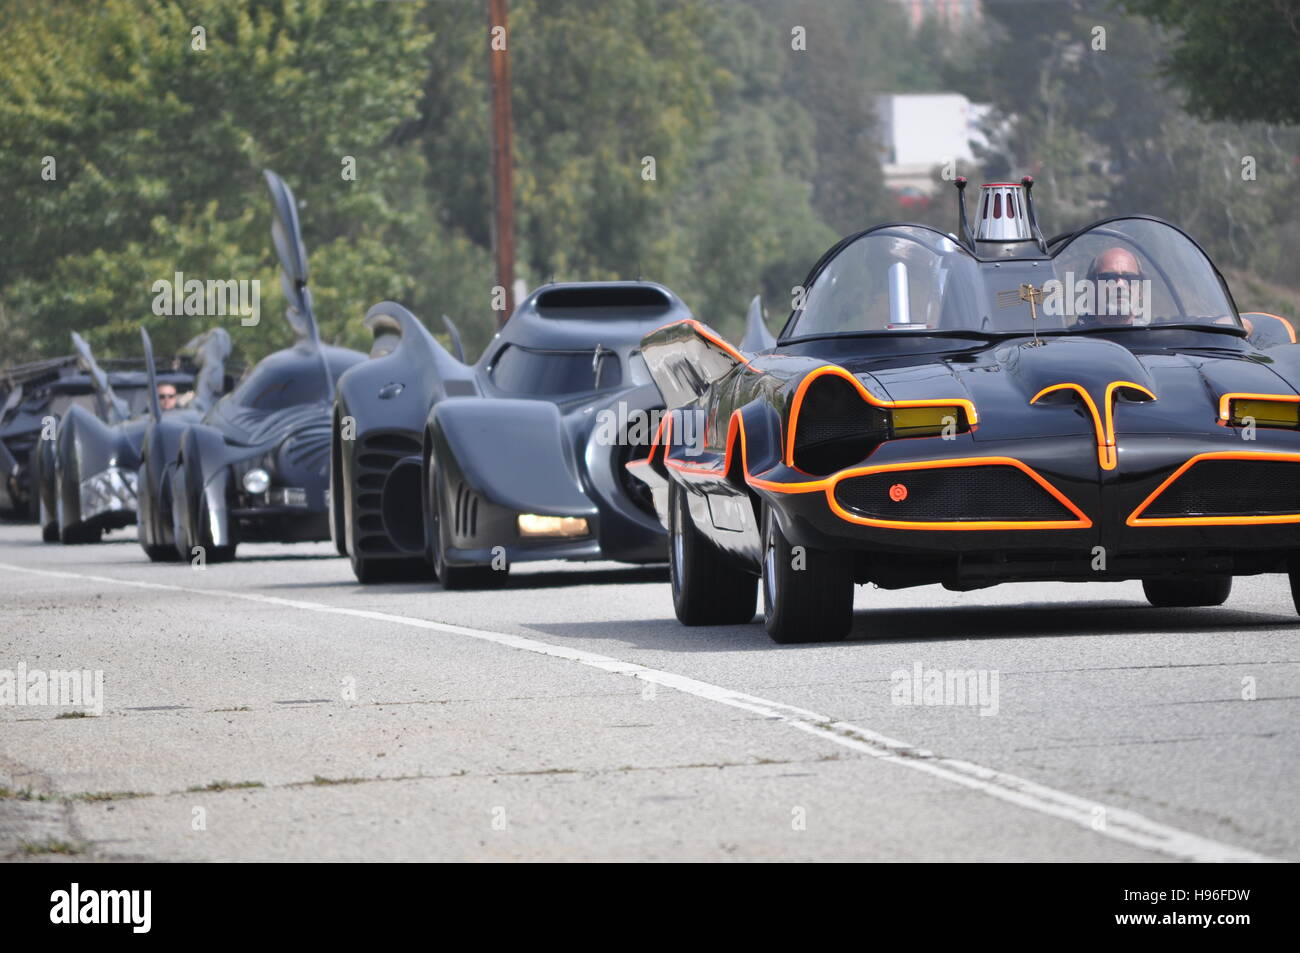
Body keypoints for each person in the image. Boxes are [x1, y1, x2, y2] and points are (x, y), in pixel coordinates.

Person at [1076, 246, 1146, 326]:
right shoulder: (1071, 337)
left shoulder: (1157, 335)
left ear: (1140, 291)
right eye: (1109, 277)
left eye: (1130, 277)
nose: (1120, 285)